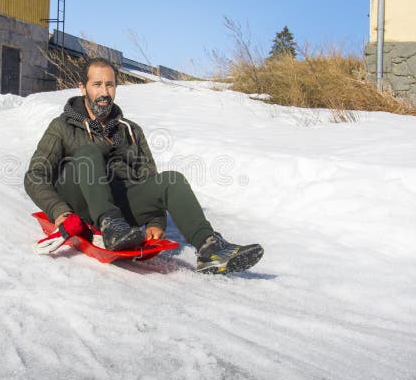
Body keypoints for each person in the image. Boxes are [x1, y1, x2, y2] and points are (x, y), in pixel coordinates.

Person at [24, 57, 263, 273]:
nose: (104, 92)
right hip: (80, 198)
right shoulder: (62, 126)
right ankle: (109, 225)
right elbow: (34, 175)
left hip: (120, 203)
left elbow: (148, 177)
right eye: (97, 84)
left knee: (171, 180)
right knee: (88, 152)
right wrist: (59, 211)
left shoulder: (131, 130)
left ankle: (209, 248)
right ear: (83, 87)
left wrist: (156, 221)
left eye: (110, 84)